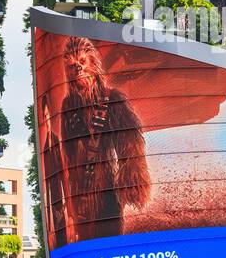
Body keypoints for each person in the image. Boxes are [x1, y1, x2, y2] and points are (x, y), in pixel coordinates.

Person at [43, 36, 151, 247]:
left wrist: (131, 180)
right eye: (73, 66)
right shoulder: (68, 106)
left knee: (109, 242)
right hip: (80, 194)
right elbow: (69, 156)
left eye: (82, 63)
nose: (78, 69)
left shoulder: (112, 99)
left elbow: (131, 141)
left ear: (92, 62)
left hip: (106, 190)